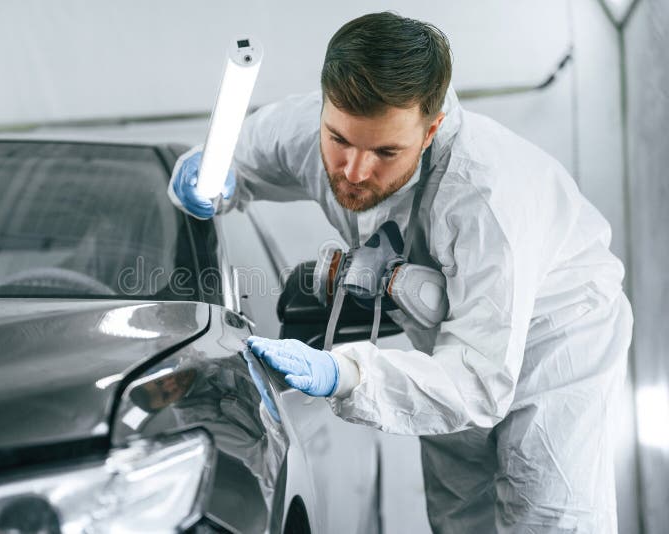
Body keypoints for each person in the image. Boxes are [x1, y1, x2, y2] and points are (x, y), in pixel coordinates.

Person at [168, 12, 632, 534]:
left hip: (557, 335)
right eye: (339, 140)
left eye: (386, 152)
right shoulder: (306, 128)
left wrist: (346, 374)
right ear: (324, 106)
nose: (355, 171)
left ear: (431, 129)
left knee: (548, 514)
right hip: (445, 343)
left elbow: (478, 379)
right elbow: (236, 160)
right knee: (459, 515)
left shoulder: (485, 200)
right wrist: (203, 173)